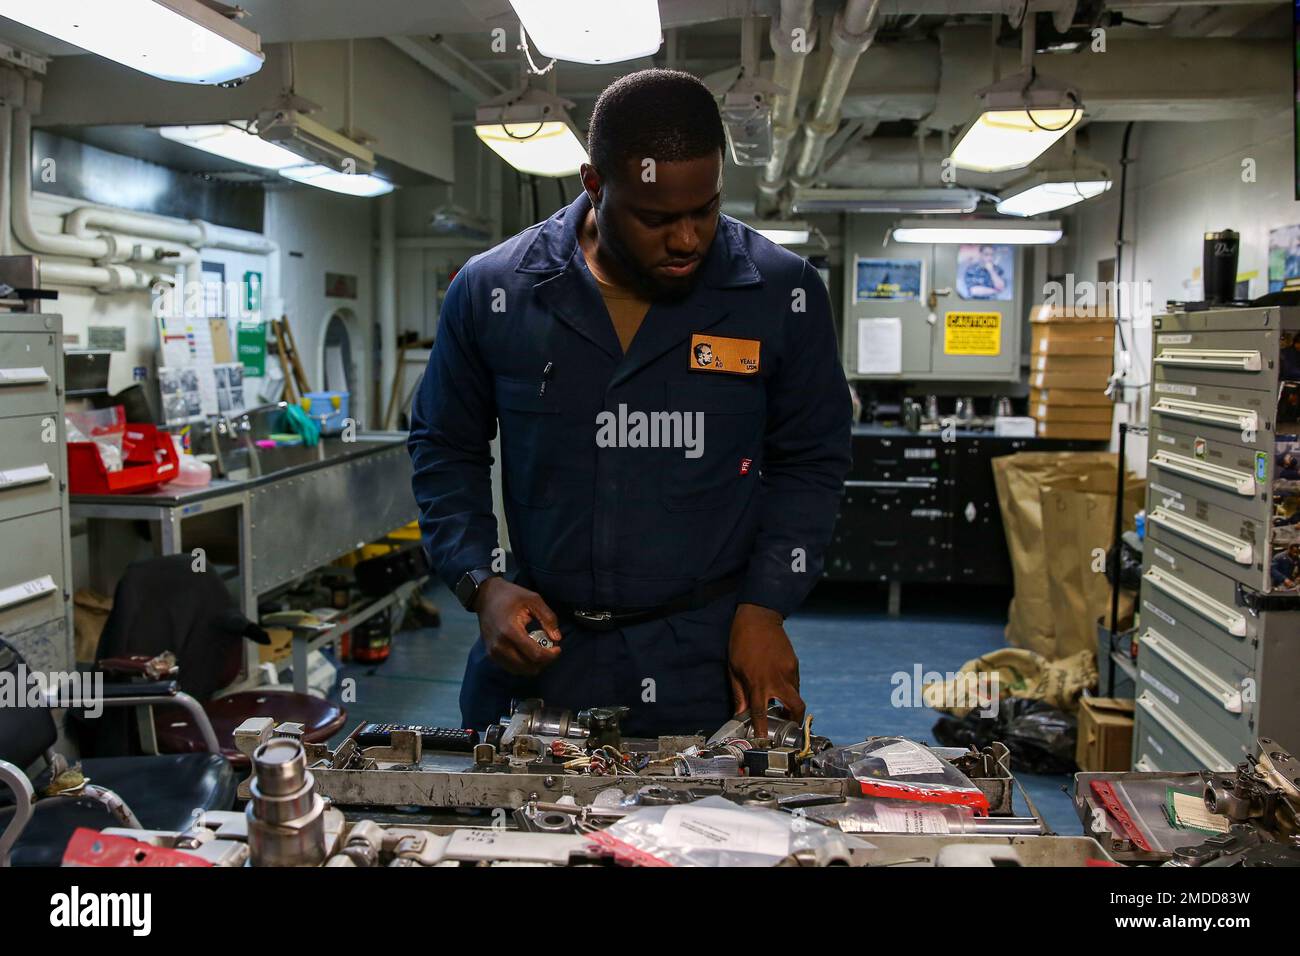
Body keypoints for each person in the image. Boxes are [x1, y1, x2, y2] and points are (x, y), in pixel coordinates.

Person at [408, 69, 852, 739]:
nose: (687, 239)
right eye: (656, 218)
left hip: (707, 657)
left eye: (704, 209)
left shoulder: (778, 293)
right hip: (541, 649)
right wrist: (480, 582)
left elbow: (811, 461)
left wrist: (766, 607)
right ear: (593, 183)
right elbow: (445, 445)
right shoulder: (496, 291)